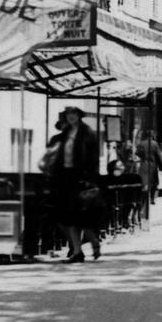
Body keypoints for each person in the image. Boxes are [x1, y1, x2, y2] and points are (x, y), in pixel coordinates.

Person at [46, 106, 102, 263]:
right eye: (68, 114)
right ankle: (77, 252)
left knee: (83, 217)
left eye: (74, 114)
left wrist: (90, 178)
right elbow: (57, 154)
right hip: (65, 177)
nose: (71, 117)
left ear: (79, 115)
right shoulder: (65, 133)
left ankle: (93, 242)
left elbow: (92, 157)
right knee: (68, 216)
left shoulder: (87, 133)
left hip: (82, 177)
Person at [135, 130, 162, 207]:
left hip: (143, 165)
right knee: (154, 183)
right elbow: (159, 156)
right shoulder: (154, 144)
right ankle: (152, 199)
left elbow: (137, 153)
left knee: (144, 182)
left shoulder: (141, 143)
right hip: (152, 165)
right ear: (152, 135)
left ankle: (143, 198)